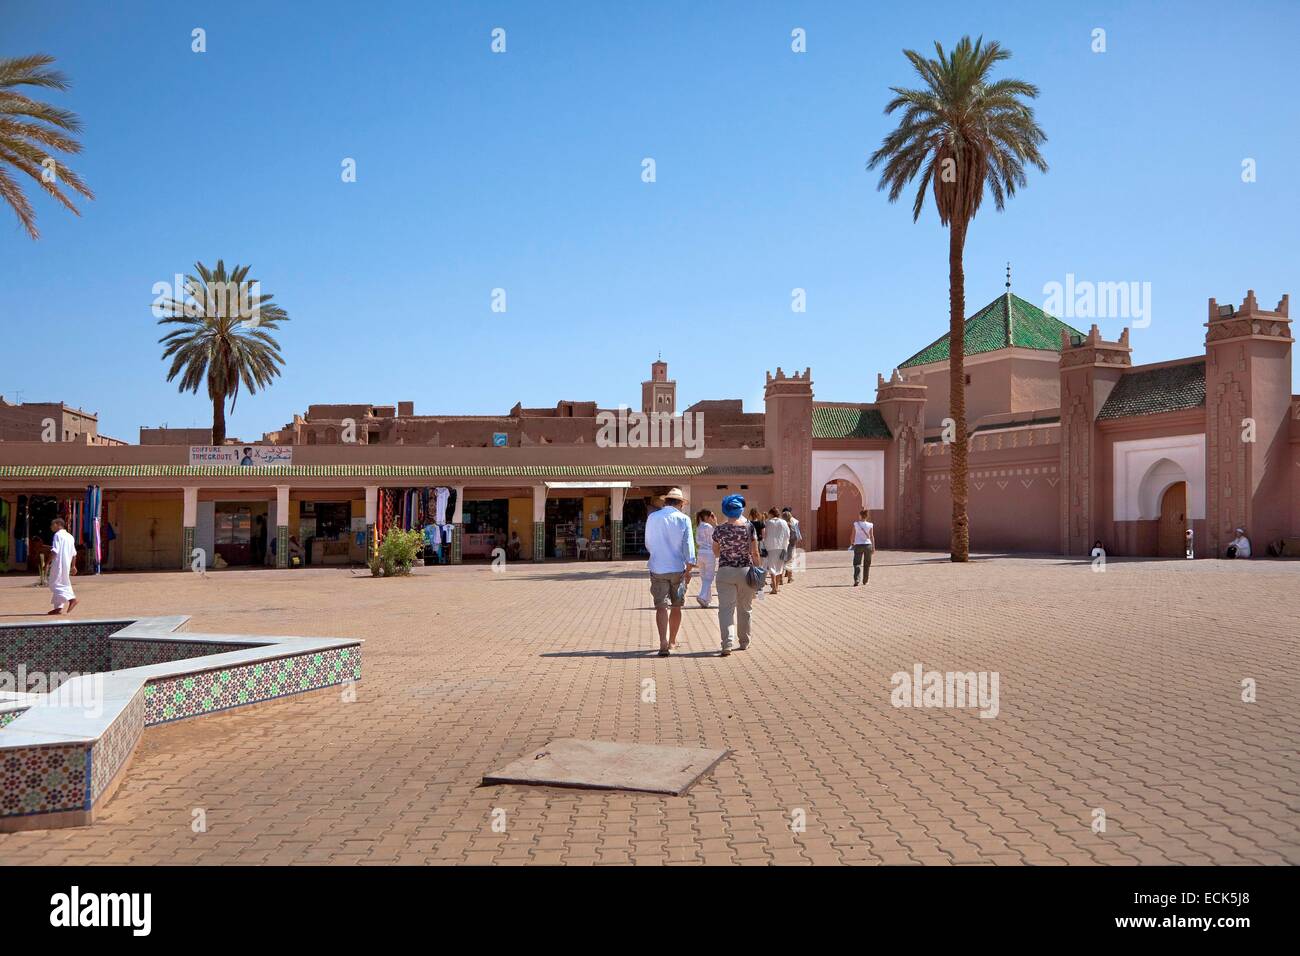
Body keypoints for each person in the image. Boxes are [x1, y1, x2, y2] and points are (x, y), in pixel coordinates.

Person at [644, 487, 695, 656]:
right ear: (680, 503)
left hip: (658, 567)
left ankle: (662, 641)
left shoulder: (652, 517)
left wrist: (656, 555)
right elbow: (688, 544)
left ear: (666, 501)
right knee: (676, 606)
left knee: (661, 607)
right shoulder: (683, 519)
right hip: (677, 568)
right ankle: (672, 641)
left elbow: (648, 542)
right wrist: (689, 568)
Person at [713, 494, 761, 656]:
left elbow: (716, 552)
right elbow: (754, 552)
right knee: (745, 608)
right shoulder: (749, 527)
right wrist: (759, 570)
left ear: (725, 511)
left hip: (725, 572)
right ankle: (744, 642)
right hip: (745, 571)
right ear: (741, 510)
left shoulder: (719, 529)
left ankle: (727, 644)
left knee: (726, 609)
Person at [46, 517, 78, 615]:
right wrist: (73, 566)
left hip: (58, 564)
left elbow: (55, 551)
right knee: (63, 583)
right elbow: (74, 553)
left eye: (52, 525)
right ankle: (58, 607)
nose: (51, 527)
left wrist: (47, 563)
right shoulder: (70, 536)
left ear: (58, 524)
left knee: (54, 584)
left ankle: (71, 599)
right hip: (66, 565)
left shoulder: (57, 535)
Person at [762, 507, 790, 594]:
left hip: (770, 547)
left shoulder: (768, 523)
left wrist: (764, 545)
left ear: (771, 514)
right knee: (779, 567)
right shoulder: (784, 522)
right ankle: (776, 587)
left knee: (772, 567)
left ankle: (774, 587)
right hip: (782, 546)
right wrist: (786, 546)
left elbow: (764, 535)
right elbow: (787, 534)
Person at [694, 509, 717, 608]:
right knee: (709, 577)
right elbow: (716, 537)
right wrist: (715, 523)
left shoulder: (699, 526)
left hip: (700, 553)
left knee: (704, 577)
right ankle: (702, 596)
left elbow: (697, 541)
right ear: (708, 516)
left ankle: (707, 599)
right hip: (709, 553)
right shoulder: (709, 527)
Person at [852, 509, 875, 586]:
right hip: (868, 545)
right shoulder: (870, 525)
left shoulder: (856, 524)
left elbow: (853, 534)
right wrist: (873, 547)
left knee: (857, 563)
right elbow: (871, 536)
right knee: (867, 563)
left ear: (860, 516)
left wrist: (852, 543)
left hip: (858, 545)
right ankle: (865, 581)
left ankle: (857, 579)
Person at [781, 507, 802, 583]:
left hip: (782, 545)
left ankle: (780, 579)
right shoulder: (793, 523)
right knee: (790, 561)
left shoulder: (781, 524)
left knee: (781, 562)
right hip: (791, 545)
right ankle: (790, 578)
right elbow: (796, 536)